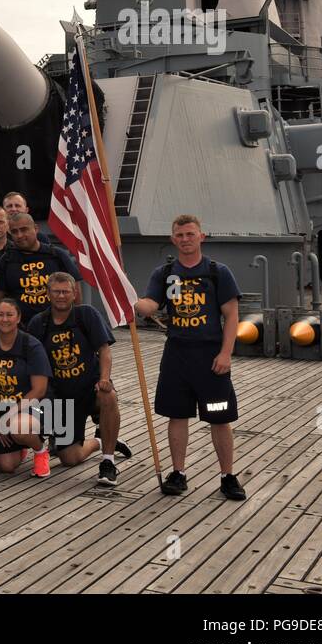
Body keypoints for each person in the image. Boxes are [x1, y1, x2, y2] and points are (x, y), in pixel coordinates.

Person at [135, 214, 245, 500]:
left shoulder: (218, 272)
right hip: (177, 355)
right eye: (180, 235)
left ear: (201, 236)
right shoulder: (165, 273)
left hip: (210, 356)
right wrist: (138, 304)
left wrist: (225, 353)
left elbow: (232, 315)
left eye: (190, 234)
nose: (185, 239)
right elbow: (152, 303)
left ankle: (228, 476)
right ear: (173, 239)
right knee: (177, 414)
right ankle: (178, 473)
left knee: (220, 417)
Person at [27, 273, 129, 486]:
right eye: (56, 291)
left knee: (108, 395)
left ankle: (108, 463)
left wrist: (104, 379)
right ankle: (102, 441)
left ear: (74, 293)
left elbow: (104, 350)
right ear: (48, 294)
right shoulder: (39, 323)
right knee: (69, 458)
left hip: (89, 388)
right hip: (62, 399)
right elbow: (33, 363)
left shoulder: (87, 315)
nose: (61, 296)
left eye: (66, 291)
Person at [0, 298, 52, 478]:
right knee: (7, 466)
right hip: (2, 408)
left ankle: (40, 450)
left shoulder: (31, 345)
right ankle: (22, 442)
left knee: (17, 427)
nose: (5, 319)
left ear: (18, 318)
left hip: (35, 406)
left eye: (10, 315)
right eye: (0, 315)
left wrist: (8, 417)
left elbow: (39, 390)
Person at [0, 213, 82, 322]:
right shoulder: (5, 261)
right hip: (21, 328)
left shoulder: (56, 255)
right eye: (15, 232)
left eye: (24, 229)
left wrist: (76, 321)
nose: (20, 235)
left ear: (36, 229)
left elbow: (75, 290)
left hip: (55, 326)